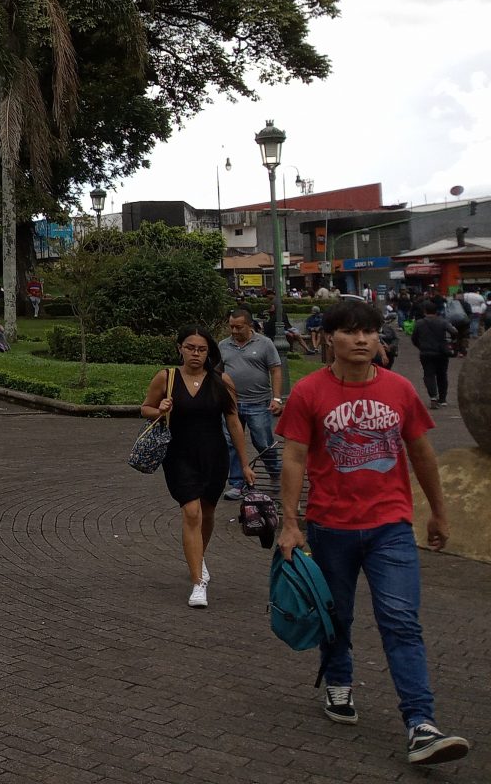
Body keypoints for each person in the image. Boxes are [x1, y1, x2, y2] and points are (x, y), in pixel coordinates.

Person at [276, 300, 471, 766]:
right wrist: (289, 524)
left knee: (401, 621)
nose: (362, 340)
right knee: (337, 616)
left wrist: (438, 513)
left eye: (370, 331)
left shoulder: (400, 390)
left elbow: (421, 454)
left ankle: (421, 725)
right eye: (350, 331)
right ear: (328, 338)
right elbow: (295, 459)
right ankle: (339, 685)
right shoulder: (308, 392)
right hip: (330, 528)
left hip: (391, 529)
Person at [141, 326, 253, 608]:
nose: (196, 354)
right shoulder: (166, 378)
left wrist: (244, 462)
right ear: (180, 347)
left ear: (209, 352)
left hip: (214, 455)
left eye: (202, 349)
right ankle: (197, 583)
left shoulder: (221, 381)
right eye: (190, 347)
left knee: (207, 511)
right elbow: (145, 408)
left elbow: (233, 422)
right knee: (191, 512)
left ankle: (198, 557)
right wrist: (161, 409)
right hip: (178, 455)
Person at [218, 308, 284, 499]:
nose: (234, 331)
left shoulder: (264, 343)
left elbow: (276, 370)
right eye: (231, 327)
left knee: (263, 442)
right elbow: (217, 372)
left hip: (258, 403)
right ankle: (238, 483)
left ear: (249, 325)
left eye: (238, 327)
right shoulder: (223, 345)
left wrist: (277, 398)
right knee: (231, 443)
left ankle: (275, 474)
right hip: (231, 405)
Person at [410, 300, 453, 408]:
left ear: (425, 311)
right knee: (442, 375)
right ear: (436, 311)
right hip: (441, 352)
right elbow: (454, 332)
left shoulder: (419, 323)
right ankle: (443, 399)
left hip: (426, 353)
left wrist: (421, 346)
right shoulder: (443, 321)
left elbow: (414, 338)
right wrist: (451, 343)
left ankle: (433, 397)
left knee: (429, 375)